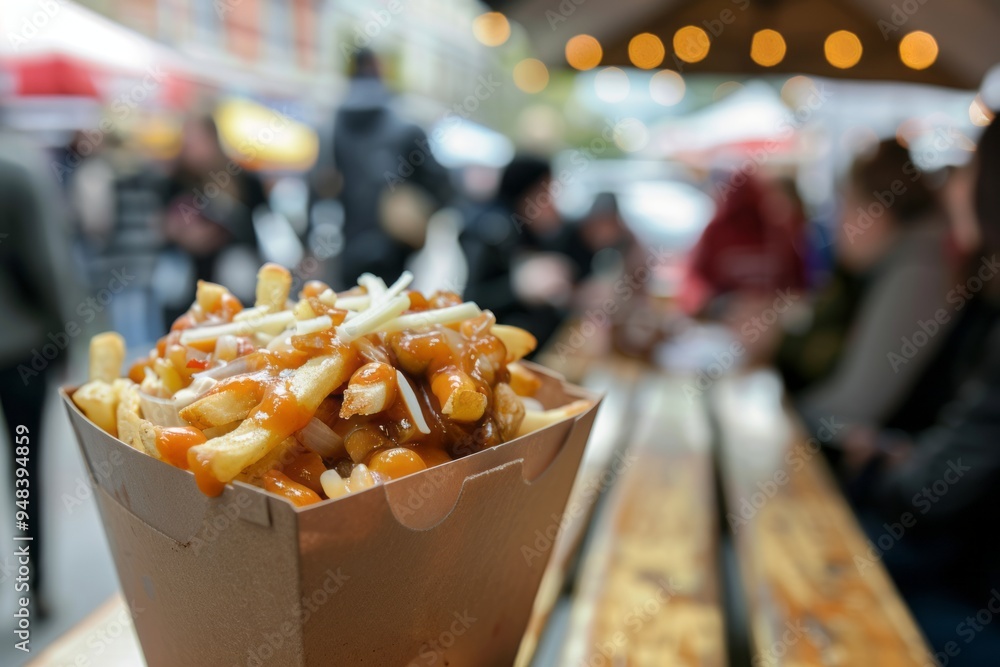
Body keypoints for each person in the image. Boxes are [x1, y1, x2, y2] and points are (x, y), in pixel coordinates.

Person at [842, 118, 1000, 665]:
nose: (952, 188)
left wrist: (882, 462)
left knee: (832, 583)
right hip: (962, 563)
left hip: (970, 594)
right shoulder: (968, 286)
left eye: (968, 171)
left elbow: (945, 479)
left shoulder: (924, 265)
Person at [754, 141, 954, 436]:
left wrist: (775, 421)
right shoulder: (902, 262)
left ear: (877, 212)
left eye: (845, 205)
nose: (838, 223)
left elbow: (853, 408)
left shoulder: (919, 273)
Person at [0, 129, 78, 619]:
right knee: (25, 465)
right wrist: (64, 336)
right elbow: (49, 263)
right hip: (19, 346)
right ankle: (35, 585)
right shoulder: (17, 168)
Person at [328, 49, 451, 286]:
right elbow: (445, 187)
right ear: (380, 69)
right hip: (393, 254)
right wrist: (419, 205)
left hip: (350, 250)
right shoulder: (406, 129)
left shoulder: (332, 129)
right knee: (396, 315)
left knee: (346, 314)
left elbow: (321, 189)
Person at [460, 155, 574, 349]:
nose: (551, 203)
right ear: (525, 191)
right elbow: (469, 300)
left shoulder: (530, 231)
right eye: (545, 192)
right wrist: (516, 288)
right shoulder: (491, 228)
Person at [162, 115, 266, 322]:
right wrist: (182, 235)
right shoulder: (174, 180)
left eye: (194, 140)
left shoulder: (242, 178)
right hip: (190, 281)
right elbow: (163, 226)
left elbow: (262, 223)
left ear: (212, 139)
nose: (188, 147)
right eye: (186, 141)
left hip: (235, 280)